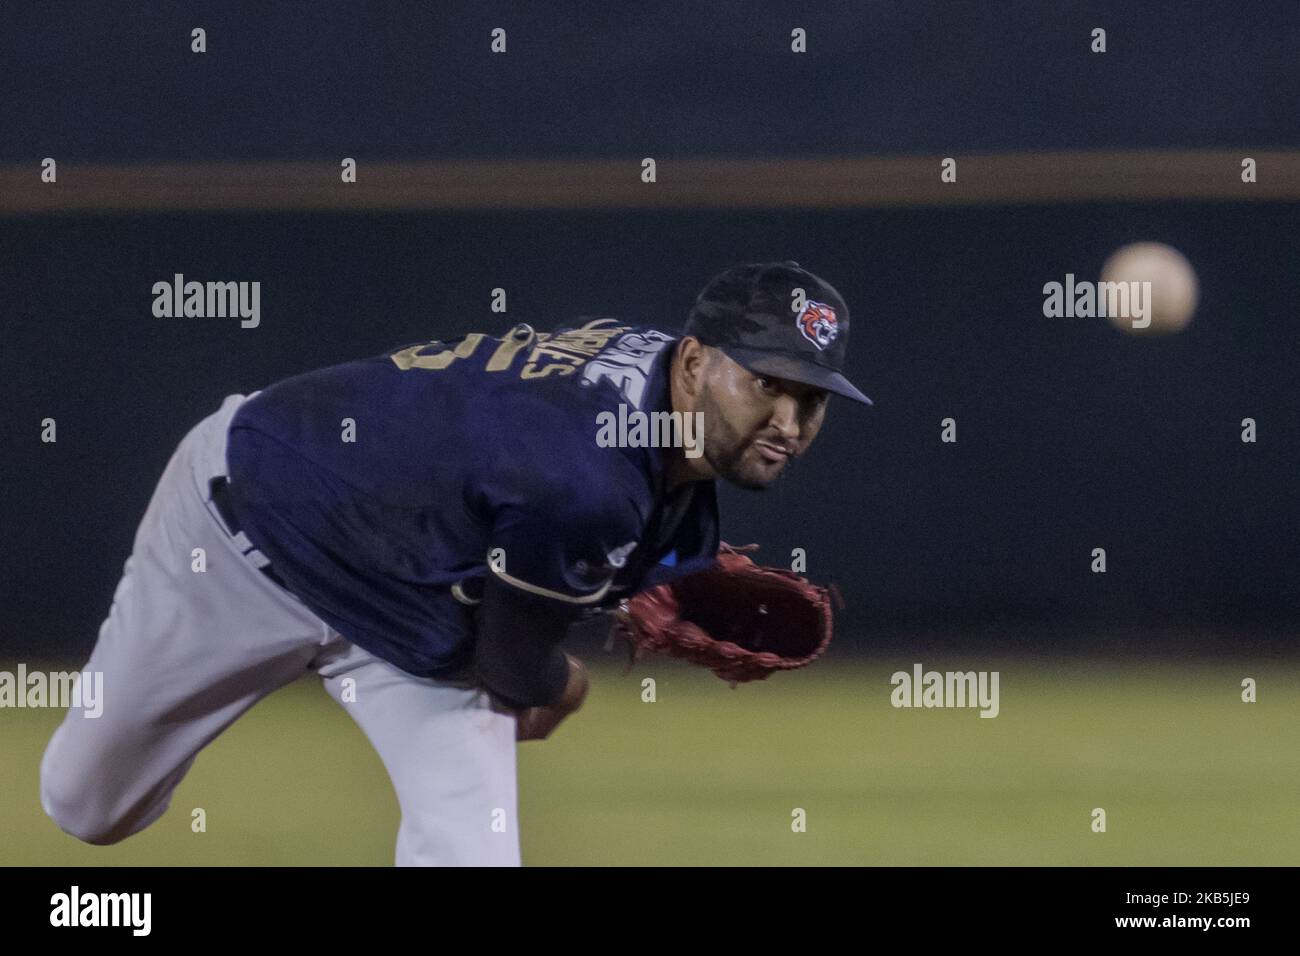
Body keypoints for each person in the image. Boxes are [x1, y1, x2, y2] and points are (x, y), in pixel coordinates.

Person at [38, 260, 871, 866]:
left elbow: (527, 495)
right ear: (693, 361)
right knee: (86, 807)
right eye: (767, 385)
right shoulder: (586, 475)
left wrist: (616, 580)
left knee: (473, 855)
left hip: (417, 611)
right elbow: (517, 667)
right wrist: (565, 681)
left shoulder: (646, 392)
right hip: (249, 530)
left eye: (812, 398)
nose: (790, 421)